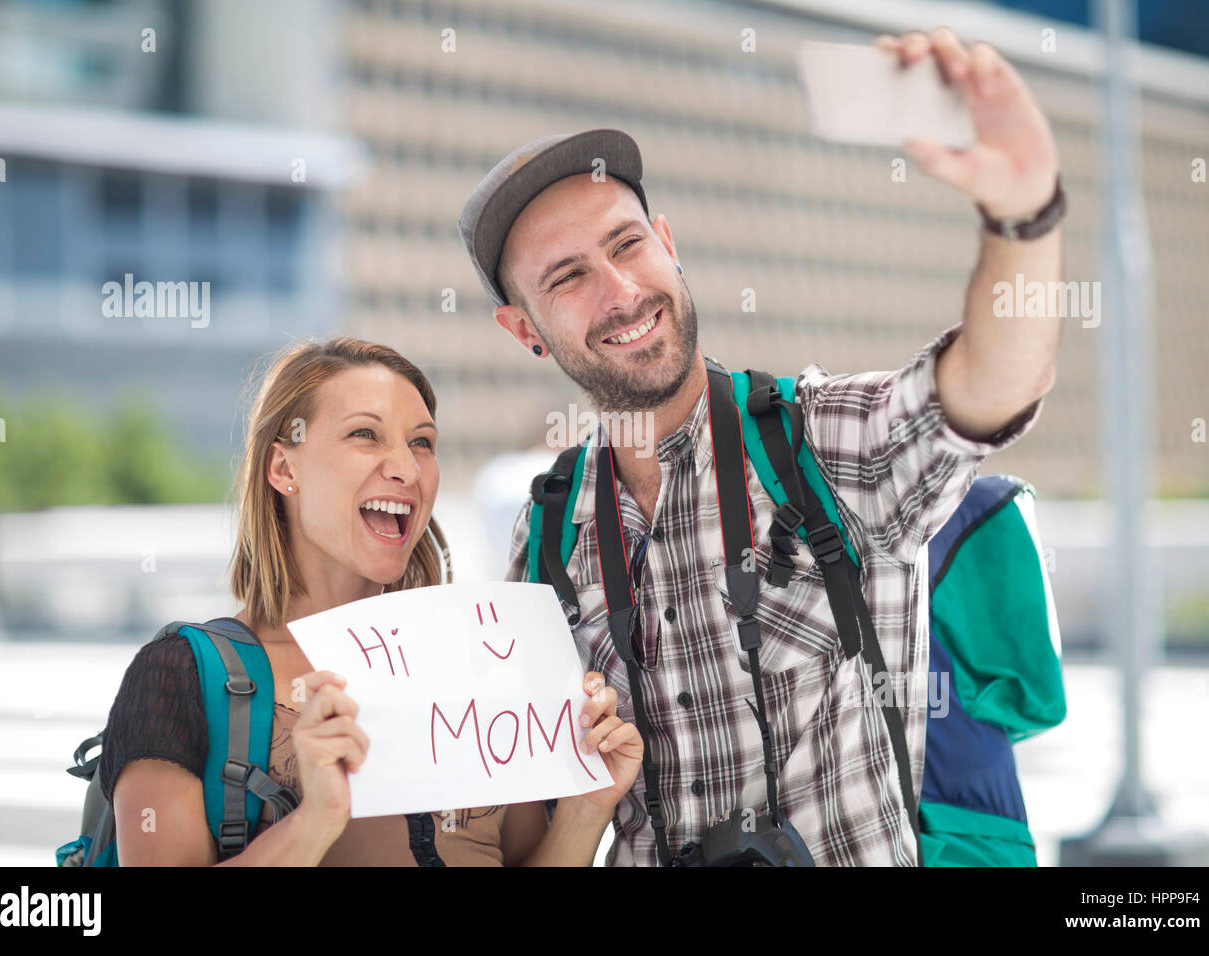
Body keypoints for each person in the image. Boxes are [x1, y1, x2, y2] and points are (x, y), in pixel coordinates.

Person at [458, 29, 1063, 865]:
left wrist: (1024, 217)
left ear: (667, 243)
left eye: (628, 245)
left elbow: (987, 390)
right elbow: (525, 817)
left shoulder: (821, 444)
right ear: (523, 329)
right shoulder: (547, 537)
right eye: (567, 277)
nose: (621, 290)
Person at [98, 337, 643, 865]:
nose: (406, 468)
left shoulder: (488, 665)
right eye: (365, 434)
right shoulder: (181, 676)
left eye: (422, 442)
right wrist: (315, 820)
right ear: (284, 469)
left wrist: (586, 808)